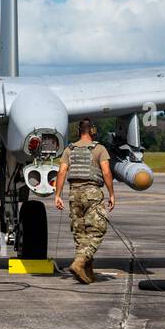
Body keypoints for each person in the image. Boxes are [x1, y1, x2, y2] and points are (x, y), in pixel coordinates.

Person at [53, 118, 115, 284]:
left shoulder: (69, 149)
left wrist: (57, 195)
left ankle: (87, 273)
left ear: (78, 131)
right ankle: (80, 263)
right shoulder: (99, 149)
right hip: (92, 192)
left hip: (74, 194)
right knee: (97, 229)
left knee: (80, 233)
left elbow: (61, 172)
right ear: (92, 131)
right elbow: (107, 172)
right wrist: (112, 194)